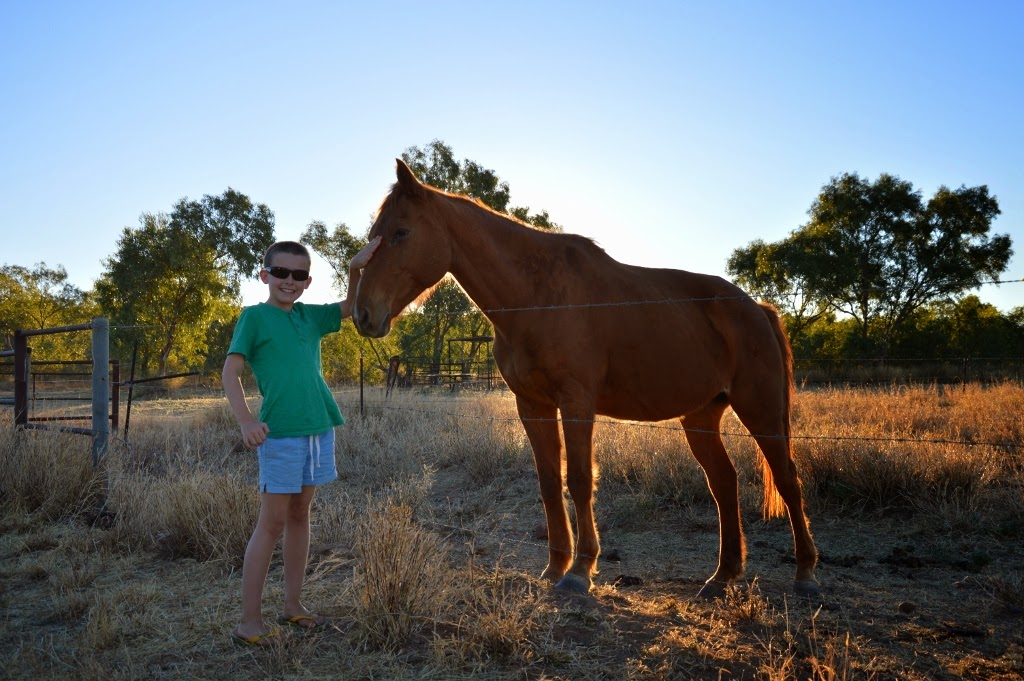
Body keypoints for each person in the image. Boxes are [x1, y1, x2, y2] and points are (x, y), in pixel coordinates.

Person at [223, 236, 381, 646]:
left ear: (307, 281)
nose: (289, 281)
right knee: (272, 522)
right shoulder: (254, 318)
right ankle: (249, 622)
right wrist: (245, 420)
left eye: (298, 275)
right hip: (280, 434)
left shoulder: (310, 317)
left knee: (300, 515)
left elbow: (349, 308)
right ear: (265, 275)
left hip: (318, 427)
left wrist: (354, 269)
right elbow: (231, 372)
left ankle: (293, 605)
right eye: (280, 273)